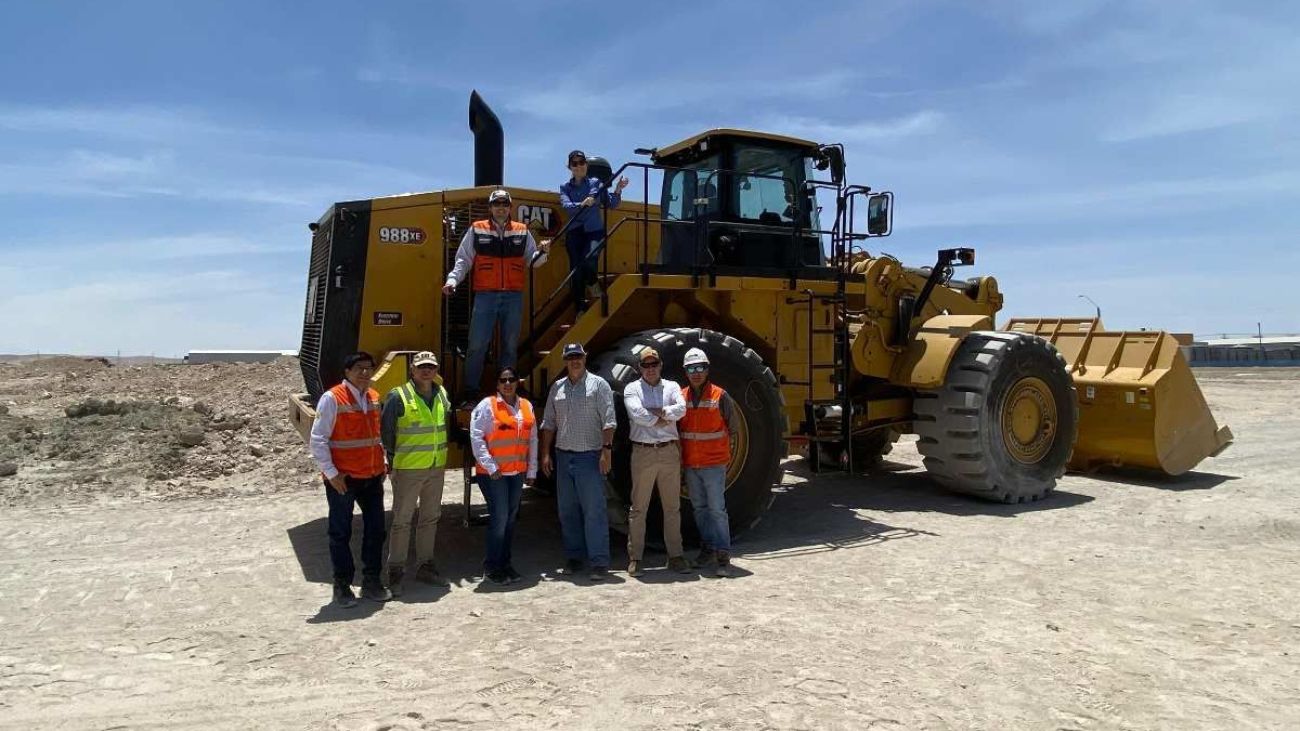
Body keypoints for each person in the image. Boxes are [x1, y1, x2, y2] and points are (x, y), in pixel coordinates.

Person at [443, 188, 550, 402]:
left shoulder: (522, 230)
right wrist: (452, 280)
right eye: (496, 204)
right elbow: (464, 259)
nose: (501, 208)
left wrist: (544, 252)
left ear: (510, 208)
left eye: (504, 204)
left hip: (513, 296)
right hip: (485, 296)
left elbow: (533, 261)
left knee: (510, 345)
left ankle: (507, 390)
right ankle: (471, 391)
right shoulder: (477, 229)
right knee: (477, 344)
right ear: (490, 208)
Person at [308, 352, 391, 606]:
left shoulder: (374, 397)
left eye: (368, 368)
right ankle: (342, 586)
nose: (364, 373)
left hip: (372, 476)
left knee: (376, 531)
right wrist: (332, 474)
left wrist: (383, 461)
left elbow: (376, 435)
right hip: (343, 479)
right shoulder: (332, 398)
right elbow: (318, 439)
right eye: (359, 368)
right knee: (340, 533)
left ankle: (371, 581)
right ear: (347, 372)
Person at [539, 343, 617, 581]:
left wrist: (606, 451)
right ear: (565, 360)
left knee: (594, 510)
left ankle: (599, 561)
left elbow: (609, 421)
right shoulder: (558, 388)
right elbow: (549, 423)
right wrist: (545, 453)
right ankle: (574, 558)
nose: (575, 361)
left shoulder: (599, 385)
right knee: (568, 511)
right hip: (564, 457)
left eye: (578, 356)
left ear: (585, 357)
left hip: (589, 457)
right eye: (570, 357)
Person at [380, 350, 451, 597]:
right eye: (422, 366)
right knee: (402, 521)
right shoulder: (398, 396)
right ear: (412, 369)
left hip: (435, 467)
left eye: (431, 366)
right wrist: (394, 461)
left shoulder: (441, 393)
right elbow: (387, 434)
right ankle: (395, 571)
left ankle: (425, 565)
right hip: (409, 469)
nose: (426, 370)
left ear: (436, 369)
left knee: (430, 518)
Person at [621, 347, 690, 577]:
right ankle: (636, 558)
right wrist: (663, 417)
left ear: (660, 365)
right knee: (639, 508)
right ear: (639, 368)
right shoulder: (631, 388)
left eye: (654, 364)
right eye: (645, 365)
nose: (650, 369)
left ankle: (676, 556)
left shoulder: (672, 386)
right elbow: (636, 414)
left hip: (669, 452)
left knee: (672, 506)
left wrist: (655, 414)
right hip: (643, 453)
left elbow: (681, 410)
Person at [469, 366, 538, 585]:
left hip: (516, 473)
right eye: (503, 380)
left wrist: (532, 469)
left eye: (512, 379)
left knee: (510, 519)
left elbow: (533, 439)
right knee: (499, 519)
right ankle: (492, 566)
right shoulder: (487, 406)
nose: (508, 383)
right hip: (494, 474)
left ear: (518, 382)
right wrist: (491, 467)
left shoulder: (526, 406)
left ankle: (505, 564)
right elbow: (476, 438)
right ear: (497, 384)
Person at [679, 347, 741, 577]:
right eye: (691, 368)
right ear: (685, 371)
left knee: (716, 509)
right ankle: (708, 548)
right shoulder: (681, 396)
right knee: (700, 508)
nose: (696, 372)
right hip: (692, 465)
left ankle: (723, 554)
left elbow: (733, 428)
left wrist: (726, 456)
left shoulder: (720, 396)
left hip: (714, 465)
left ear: (707, 369)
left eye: (700, 368)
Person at [559, 150, 628, 312]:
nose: (579, 166)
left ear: (586, 165)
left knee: (589, 259)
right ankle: (580, 310)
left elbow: (611, 203)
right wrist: (582, 204)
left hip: (594, 231)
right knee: (576, 272)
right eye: (574, 164)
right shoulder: (565, 187)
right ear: (570, 167)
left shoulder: (596, 183)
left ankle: (592, 282)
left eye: (581, 162)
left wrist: (618, 188)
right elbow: (567, 207)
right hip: (575, 233)